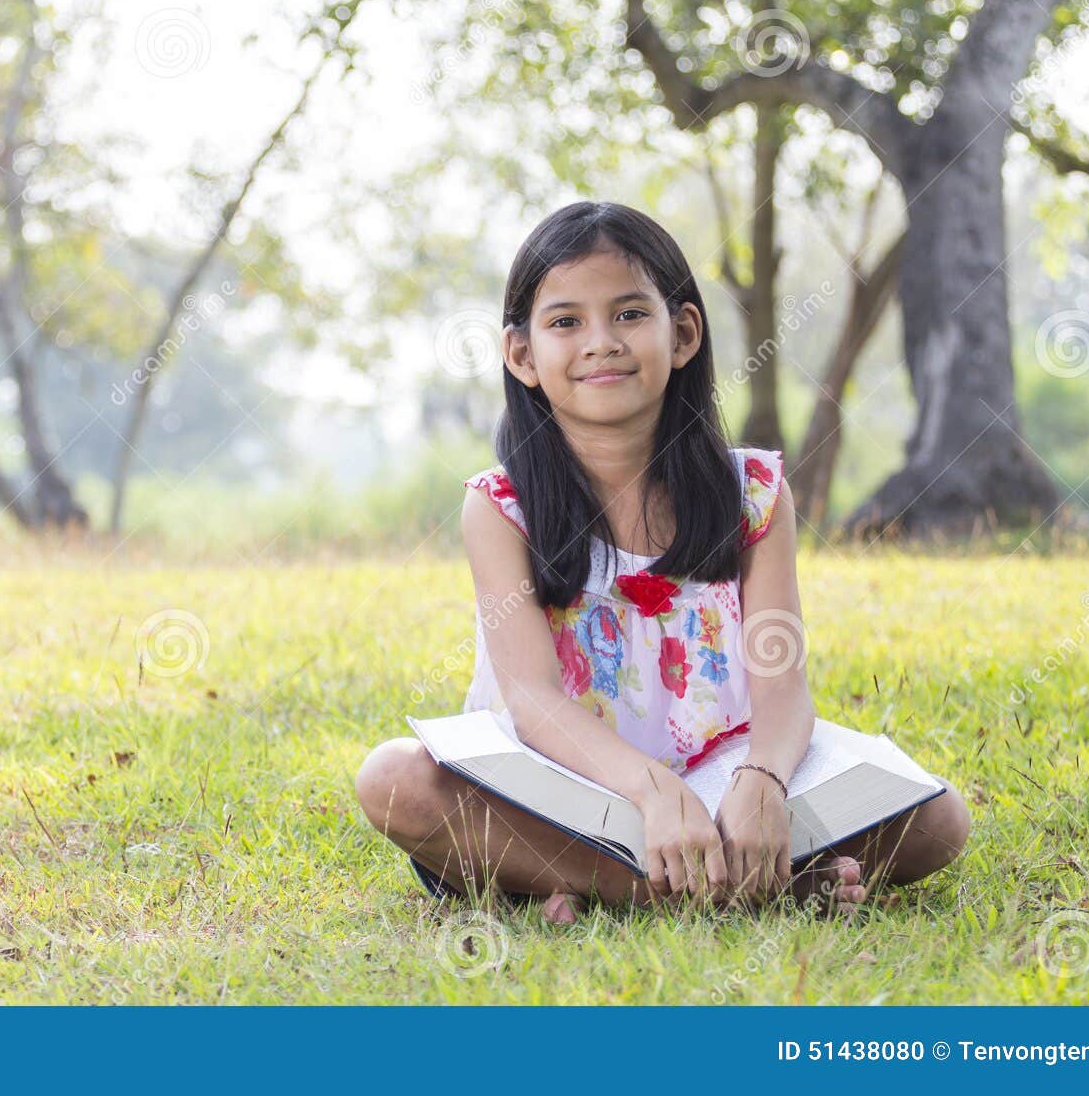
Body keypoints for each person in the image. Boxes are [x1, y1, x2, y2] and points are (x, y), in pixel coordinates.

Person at [354, 201, 971, 923]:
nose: (600, 342)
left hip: (722, 778)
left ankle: (593, 885)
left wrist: (763, 779)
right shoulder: (501, 506)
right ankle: (695, 888)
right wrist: (648, 789)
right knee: (394, 779)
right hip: (561, 786)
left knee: (939, 816)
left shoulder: (754, 493)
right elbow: (533, 699)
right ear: (521, 355)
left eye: (627, 314)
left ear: (681, 334)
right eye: (565, 322)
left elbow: (782, 685)